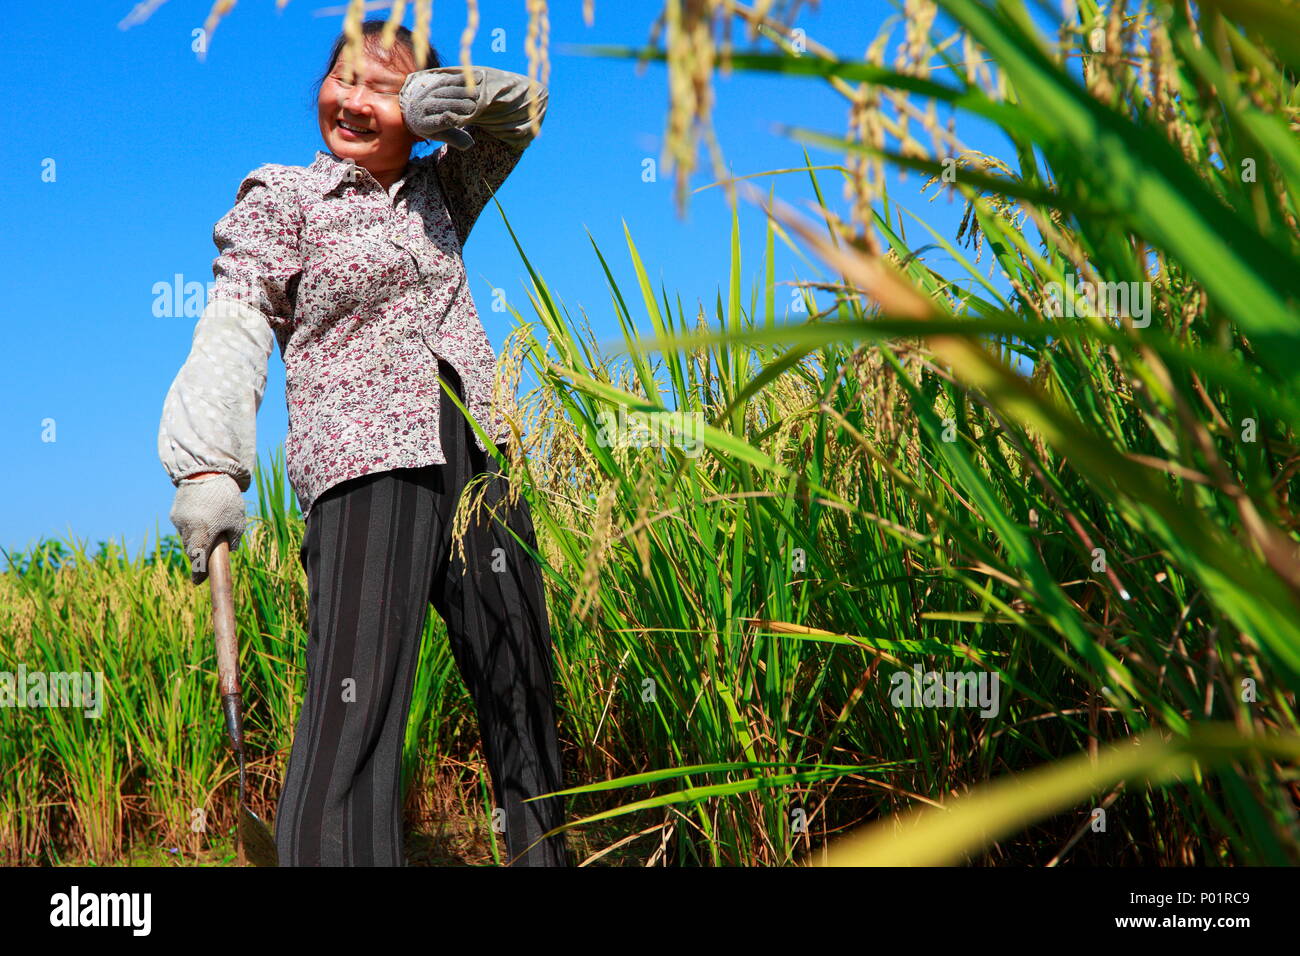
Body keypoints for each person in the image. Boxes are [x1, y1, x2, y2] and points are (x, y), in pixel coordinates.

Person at [156, 19, 569, 867]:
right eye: (342, 78)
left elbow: (523, 111)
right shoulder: (284, 197)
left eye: (382, 88)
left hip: (479, 453)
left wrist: (438, 96)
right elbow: (237, 317)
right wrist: (206, 458)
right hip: (366, 453)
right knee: (356, 720)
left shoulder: (442, 191)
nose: (350, 99)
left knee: (521, 687)